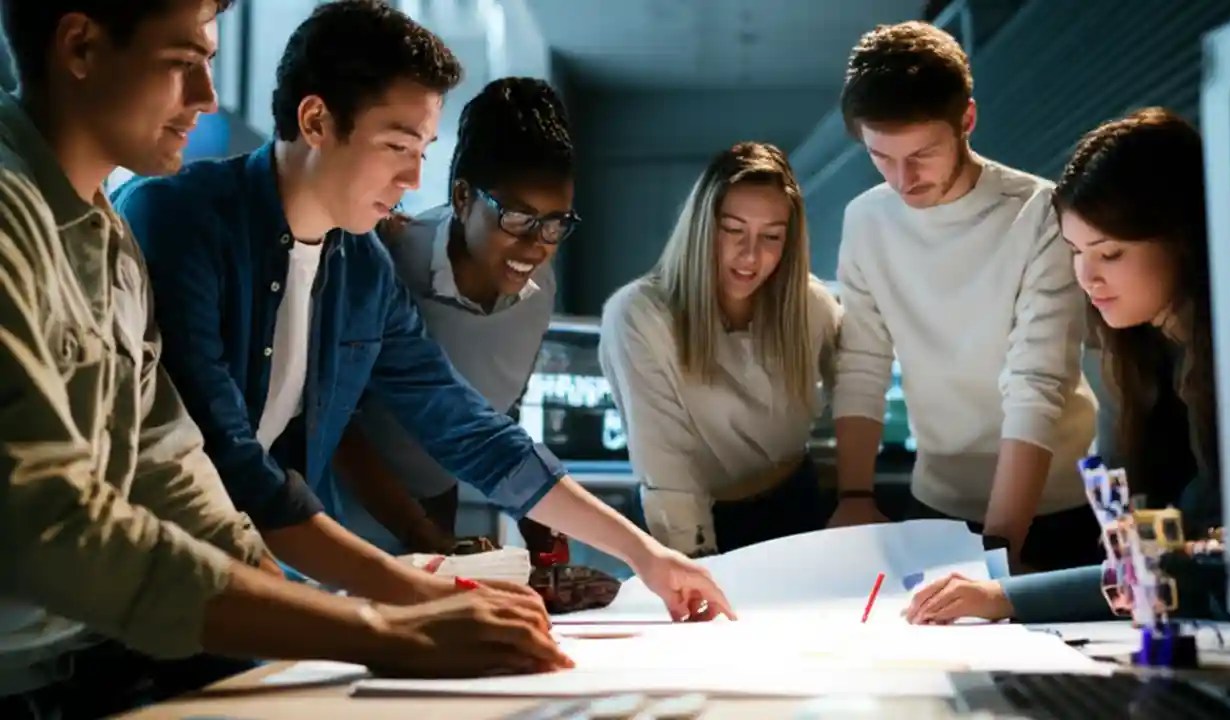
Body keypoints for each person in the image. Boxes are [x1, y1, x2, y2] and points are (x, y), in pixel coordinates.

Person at [0, 1, 570, 716]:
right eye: (182, 64)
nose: (207, 98)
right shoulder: (71, 216)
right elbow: (55, 526)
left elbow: (173, 469)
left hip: (85, 660)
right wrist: (378, 626)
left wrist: (382, 610)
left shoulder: (107, 235)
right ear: (79, 45)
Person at [114, 0, 733, 622]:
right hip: (140, 594)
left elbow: (466, 426)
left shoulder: (360, 267)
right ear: (316, 121)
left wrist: (647, 555)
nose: (414, 177)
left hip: (243, 585)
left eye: (424, 149)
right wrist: (409, 593)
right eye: (397, 145)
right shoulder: (178, 221)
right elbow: (227, 456)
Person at [904, 107, 1220, 624]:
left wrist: (1006, 596)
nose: (1087, 277)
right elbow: (1138, 546)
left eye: (1111, 253)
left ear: (1183, 239)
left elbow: (1210, 564)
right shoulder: (1136, 350)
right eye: (1075, 251)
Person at [830, 21, 1099, 572]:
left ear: (967, 120)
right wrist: (855, 498)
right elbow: (862, 364)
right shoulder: (866, 220)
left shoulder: (1040, 213)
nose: (903, 180)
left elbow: (1036, 384)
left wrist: (999, 555)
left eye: (921, 154)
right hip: (938, 501)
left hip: (1055, 507)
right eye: (881, 157)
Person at [334, 75, 577, 554]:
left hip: (432, 516)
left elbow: (496, 415)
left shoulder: (538, 285)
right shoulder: (390, 257)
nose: (535, 245)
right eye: (516, 218)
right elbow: (333, 422)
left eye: (555, 224)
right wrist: (420, 534)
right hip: (339, 525)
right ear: (463, 197)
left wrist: (541, 518)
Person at [598, 142, 843, 557]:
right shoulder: (639, 316)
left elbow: (861, 393)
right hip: (696, 518)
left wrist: (856, 492)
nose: (750, 255)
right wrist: (695, 569)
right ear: (702, 227)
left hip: (799, 508)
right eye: (733, 230)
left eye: (772, 237)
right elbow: (667, 466)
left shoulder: (810, 305)